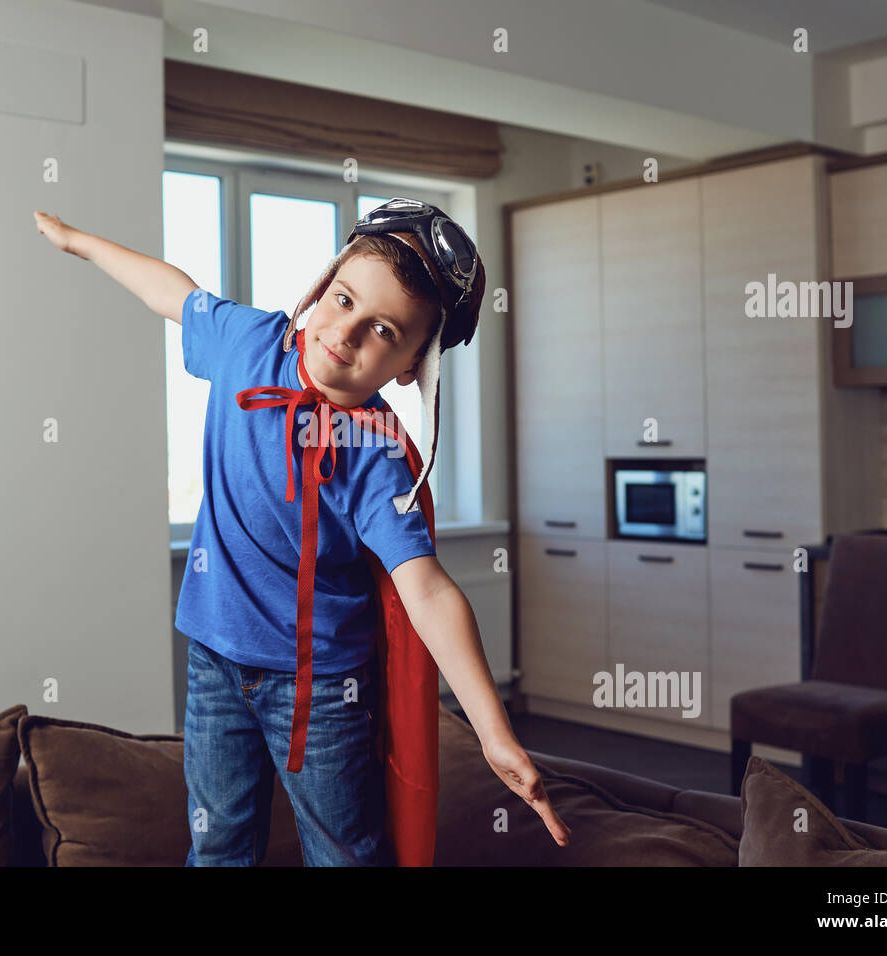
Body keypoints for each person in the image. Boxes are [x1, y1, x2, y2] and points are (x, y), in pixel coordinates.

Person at [34, 199, 571, 866]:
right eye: (343, 300)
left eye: (382, 330)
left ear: (410, 366)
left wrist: (495, 734)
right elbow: (172, 292)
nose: (345, 333)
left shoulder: (374, 450)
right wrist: (79, 241)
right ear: (322, 285)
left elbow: (426, 590)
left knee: (342, 852)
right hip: (214, 657)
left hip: (321, 688)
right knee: (218, 841)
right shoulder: (247, 342)